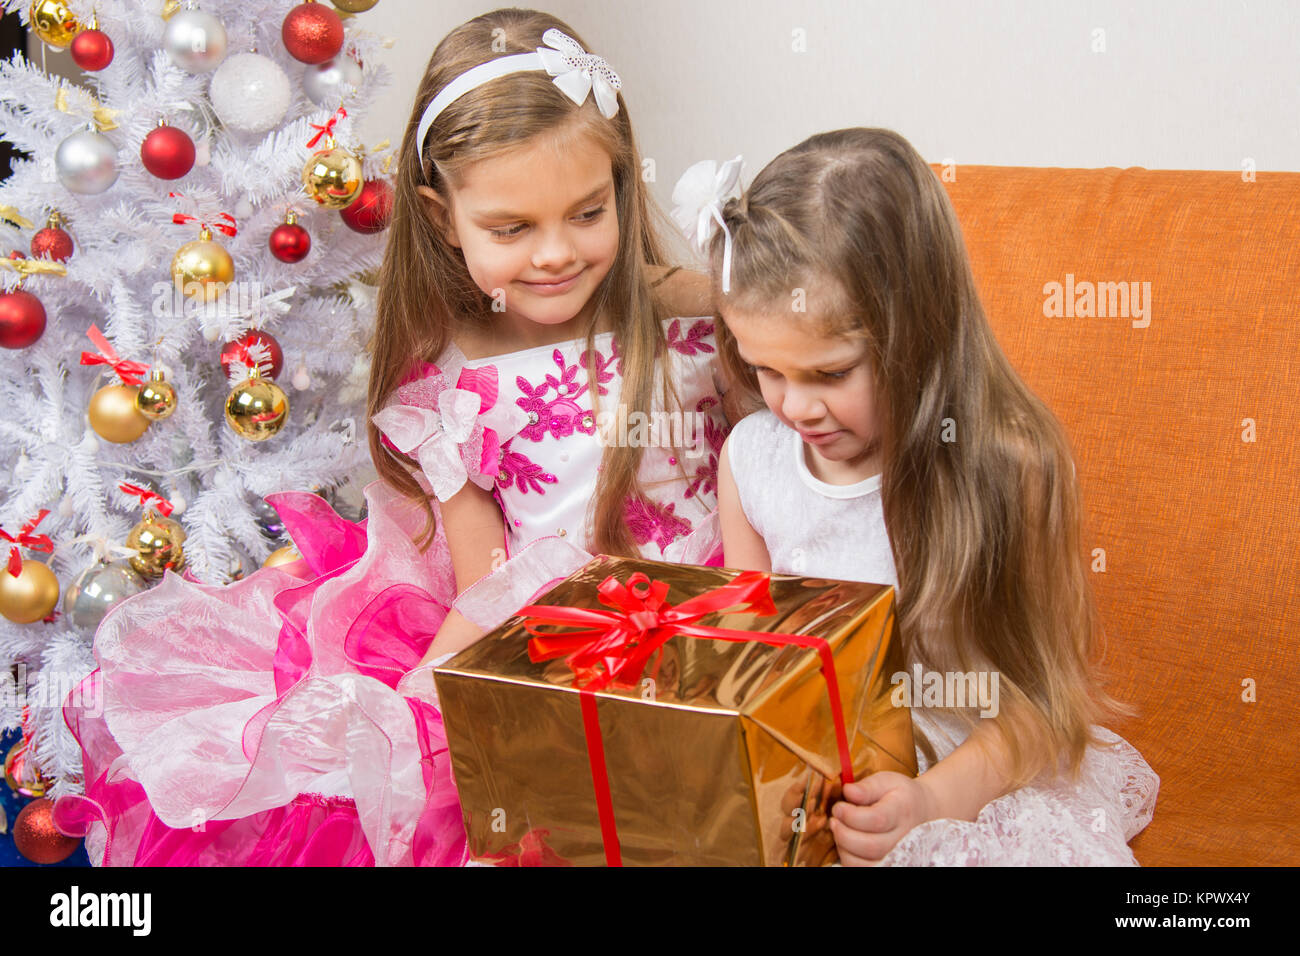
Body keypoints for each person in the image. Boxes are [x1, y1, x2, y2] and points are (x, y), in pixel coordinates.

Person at [60, 8, 727, 867]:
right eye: (511, 228)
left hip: (712, 636)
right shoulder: (451, 376)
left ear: (622, 186)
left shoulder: (699, 315)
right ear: (444, 218)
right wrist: (418, 710)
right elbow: (486, 577)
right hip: (549, 653)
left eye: (588, 212)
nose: (556, 254)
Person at [710, 128, 1159, 865]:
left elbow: (1045, 705)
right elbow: (752, 665)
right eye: (766, 369)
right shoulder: (752, 461)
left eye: (831, 373)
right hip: (816, 781)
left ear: (920, 333)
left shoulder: (1007, 468)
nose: (795, 406)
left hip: (967, 779)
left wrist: (931, 802)